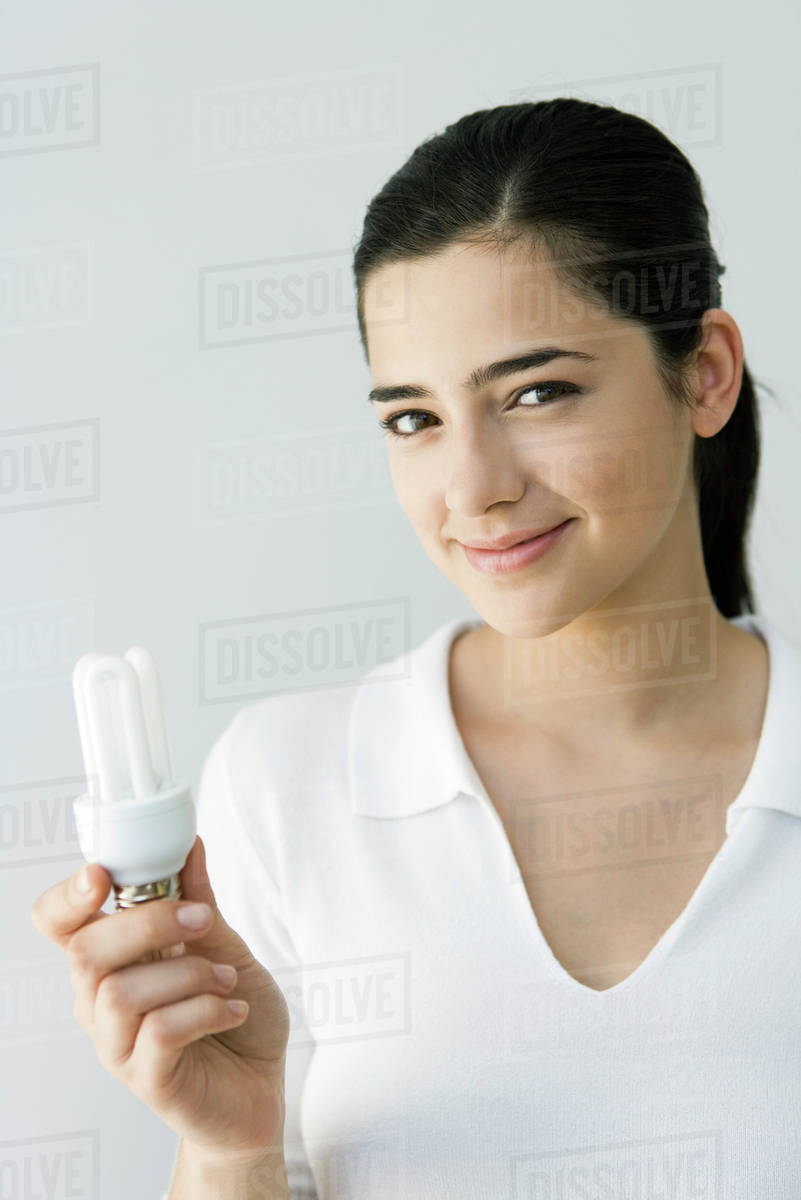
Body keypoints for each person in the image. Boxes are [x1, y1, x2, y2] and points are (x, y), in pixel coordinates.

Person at [31, 98, 801, 1198]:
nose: (475, 488)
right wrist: (230, 1149)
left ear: (706, 374)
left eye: (538, 392)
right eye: (414, 418)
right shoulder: (293, 786)